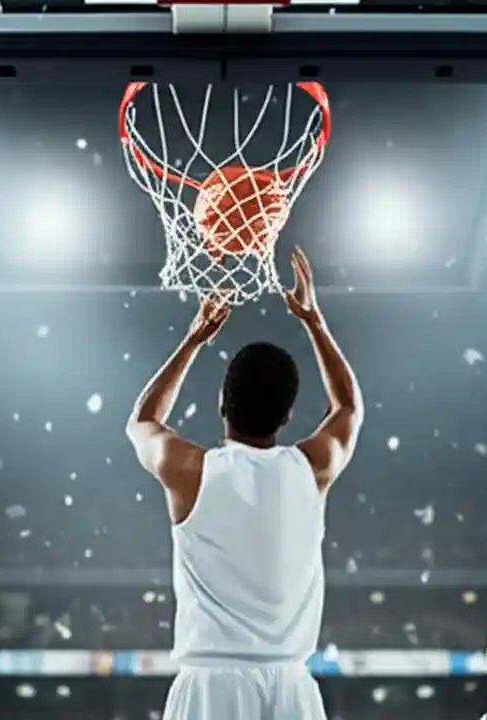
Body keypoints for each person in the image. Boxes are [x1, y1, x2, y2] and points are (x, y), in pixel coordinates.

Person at [126, 247, 364, 720]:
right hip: (292, 686)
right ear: (289, 414)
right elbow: (348, 409)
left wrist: (193, 340)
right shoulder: (311, 468)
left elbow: (142, 421)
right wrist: (314, 320)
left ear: (222, 404)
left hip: (211, 687)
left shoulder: (190, 470)